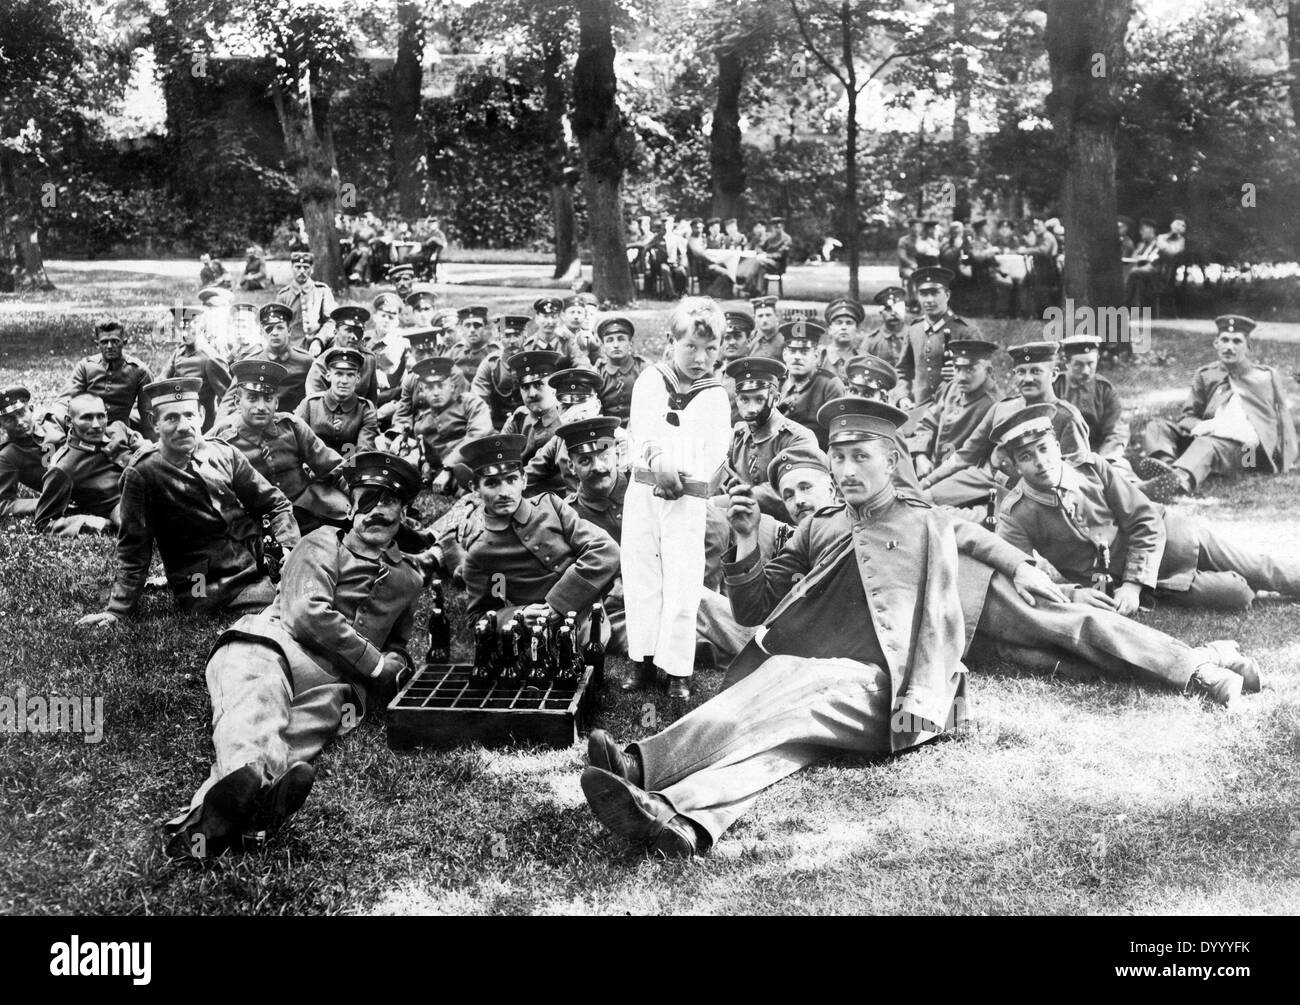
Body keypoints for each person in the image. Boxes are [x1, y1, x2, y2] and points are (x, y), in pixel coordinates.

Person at [578, 397, 1256, 859]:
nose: (845, 470)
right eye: (837, 457)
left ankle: (652, 775)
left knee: (793, 702)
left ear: (891, 460)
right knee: (777, 719)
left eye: (861, 457)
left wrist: (1019, 565)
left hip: (890, 687)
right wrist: (748, 543)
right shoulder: (819, 526)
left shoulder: (922, 518)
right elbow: (755, 607)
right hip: (823, 668)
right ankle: (675, 806)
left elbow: (972, 549)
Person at [162, 452, 426, 859]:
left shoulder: (408, 577)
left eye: (386, 501)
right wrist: (375, 664)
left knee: (294, 738)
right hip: (273, 648)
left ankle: (219, 822)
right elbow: (305, 613)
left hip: (334, 686)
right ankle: (237, 810)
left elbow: (399, 645)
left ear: (404, 510)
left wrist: (398, 664)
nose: (375, 512)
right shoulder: (320, 543)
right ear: (351, 506)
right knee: (257, 710)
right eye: (365, 500)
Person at [996, 403, 1300, 614]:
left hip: (1173, 538)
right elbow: (1020, 576)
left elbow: (1145, 519)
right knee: (1239, 596)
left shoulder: (1091, 468)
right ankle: (1239, 583)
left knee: (1261, 569)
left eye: (1044, 449)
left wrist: (1132, 585)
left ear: (1058, 448)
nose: (1040, 462)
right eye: (1026, 456)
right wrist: (1076, 593)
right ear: (1014, 464)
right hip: (1153, 584)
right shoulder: (1016, 514)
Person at [76, 378, 300, 629]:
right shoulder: (143, 473)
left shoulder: (223, 453)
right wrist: (117, 611)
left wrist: (289, 548)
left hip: (258, 557)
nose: (183, 426)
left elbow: (275, 504)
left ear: (202, 415)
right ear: (154, 423)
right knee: (301, 601)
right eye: (171, 418)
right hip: (208, 583)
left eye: (189, 415)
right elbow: (133, 549)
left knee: (326, 568)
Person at [560, 415, 760, 675]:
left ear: (618, 454)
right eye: (585, 461)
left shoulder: (650, 485)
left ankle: (768, 644)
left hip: (672, 581)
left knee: (695, 601)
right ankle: (703, 652)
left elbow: (712, 525)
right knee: (633, 633)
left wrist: (699, 580)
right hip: (619, 606)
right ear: (572, 467)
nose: (598, 467)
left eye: (604, 455)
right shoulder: (570, 514)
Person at [621, 298, 732, 700]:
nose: (700, 358)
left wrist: (688, 477)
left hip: (687, 497)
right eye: (691, 347)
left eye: (711, 349)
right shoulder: (652, 380)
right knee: (641, 573)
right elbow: (644, 428)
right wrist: (660, 461)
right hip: (645, 490)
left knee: (683, 578)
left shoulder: (715, 395)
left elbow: (718, 448)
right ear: (671, 342)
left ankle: (678, 667)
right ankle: (643, 658)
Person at [460, 432, 620, 633]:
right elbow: (480, 617)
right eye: (492, 483)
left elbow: (606, 549)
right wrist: (519, 615)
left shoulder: (551, 506)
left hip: (599, 596)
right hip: (550, 627)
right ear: (475, 488)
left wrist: (559, 603)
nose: (504, 492)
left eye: (511, 479)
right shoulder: (480, 552)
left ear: (524, 480)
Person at [1140, 315, 1298, 498]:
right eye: (1225, 340)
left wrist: (1216, 429)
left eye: (1237, 341)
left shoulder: (1264, 378)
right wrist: (1201, 427)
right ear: (1216, 343)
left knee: (1207, 444)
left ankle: (1179, 480)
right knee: (1158, 427)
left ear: (1249, 346)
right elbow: (1187, 416)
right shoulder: (1206, 375)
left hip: (1248, 453)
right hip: (1206, 440)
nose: (1229, 347)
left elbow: (1269, 427)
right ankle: (1166, 467)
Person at [921, 341, 1090, 508]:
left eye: (1036, 371)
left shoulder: (1067, 417)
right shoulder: (1002, 407)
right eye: (1021, 372)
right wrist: (929, 480)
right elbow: (967, 453)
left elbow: (1078, 474)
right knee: (924, 500)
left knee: (975, 525)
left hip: (1026, 493)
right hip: (985, 478)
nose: (1027, 378)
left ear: (1053, 374)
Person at [212, 360, 351, 532]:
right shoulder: (221, 437)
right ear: (237, 402)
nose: (261, 407)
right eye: (253, 399)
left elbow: (334, 466)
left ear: (276, 403)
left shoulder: (291, 426)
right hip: (258, 519)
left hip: (306, 506)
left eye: (268, 399)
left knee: (351, 523)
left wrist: (361, 494)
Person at [712, 356, 818, 523]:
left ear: (775, 399)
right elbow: (719, 479)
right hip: (743, 521)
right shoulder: (738, 435)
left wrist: (718, 503)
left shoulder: (798, 438)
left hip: (787, 529)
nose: (751, 409)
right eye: (744, 399)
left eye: (759, 399)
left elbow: (782, 491)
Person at [34, 393, 139, 535]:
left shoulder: (117, 429)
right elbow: (44, 522)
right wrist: (90, 522)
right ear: (69, 421)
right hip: (124, 506)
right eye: (86, 418)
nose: (96, 425)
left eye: (101, 416)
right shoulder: (63, 468)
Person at [906, 339, 1002, 481]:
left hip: (960, 482)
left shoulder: (995, 405)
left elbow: (970, 456)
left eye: (970, 369)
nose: (961, 377)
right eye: (957, 368)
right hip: (928, 468)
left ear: (988, 371)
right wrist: (921, 456)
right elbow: (928, 422)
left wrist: (929, 481)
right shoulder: (952, 388)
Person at [524, 367, 628, 497]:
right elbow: (528, 476)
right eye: (567, 407)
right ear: (558, 410)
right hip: (574, 512)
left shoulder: (617, 437)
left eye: (583, 404)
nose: (575, 414)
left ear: (597, 405)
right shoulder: (558, 442)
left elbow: (642, 478)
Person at [404, 356, 494, 494]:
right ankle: (465, 484)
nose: (435, 393)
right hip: (451, 471)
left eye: (441, 386)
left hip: (481, 458)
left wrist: (448, 467)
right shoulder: (421, 423)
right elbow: (424, 453)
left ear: (452, 386)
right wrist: (425, 466)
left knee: (478, 473)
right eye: (429, 388)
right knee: (456, 485)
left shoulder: (470, 403)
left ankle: (476, 482)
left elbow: (478, 434)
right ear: (422, 391)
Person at [896, 267, 978, 409]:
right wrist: (903, 396)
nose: (929, 300)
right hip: (921, 410)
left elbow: (985, 373)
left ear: (947, 295)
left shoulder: (965, 331)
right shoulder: (914, 329)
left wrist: (961, 375)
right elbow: (902, 371)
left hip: (957, 410)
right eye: (923, 294)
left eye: (935, 293)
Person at [61, 321, 155, 439]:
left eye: (115, 341)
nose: (109, 346)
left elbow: (148, 416)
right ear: (97, 344)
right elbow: (69, 403)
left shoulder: (139, 371)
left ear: (124, 342)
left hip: (120, 434)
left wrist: (153, 447)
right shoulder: (85, 367)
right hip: (87, 433)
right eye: (104, 342)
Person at [218, 304, 316, 415]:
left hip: (293, 425)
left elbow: (317, 399)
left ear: (289, 330)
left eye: (279, 327)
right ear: (262, 333)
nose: (274, 333)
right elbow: (228, 402)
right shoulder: (251, 362)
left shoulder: (306, 362)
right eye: (269, 328)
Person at [1052, 335, 1130, 470]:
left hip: (1099, 454)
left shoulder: (1105, 389)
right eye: (1079, 365)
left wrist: (1105, 461)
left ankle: (1142, 488)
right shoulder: (1054, 387)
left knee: (1121, 469)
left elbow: (1116, 431)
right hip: (1062, 457)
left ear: (1097, 359)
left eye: (1090, 364)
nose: (1086, 371)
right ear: (1067, 362)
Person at [775, 320, 847, 451]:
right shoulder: (778, 383)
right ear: (785, 354)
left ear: (816, 355)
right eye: (792, 351)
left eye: (804, 352)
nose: (797, 357)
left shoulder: (829, 385)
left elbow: (838, 434)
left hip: (815, 456)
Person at [295, 347, 379, 456]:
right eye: (339, 374)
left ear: (358, 378)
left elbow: (364, 451)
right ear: (328, 376)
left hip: (351, 469)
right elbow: (296, 443)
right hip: (312, 470)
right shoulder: (310, 405)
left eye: (350, 375)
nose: (344, 381)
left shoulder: (365, 409)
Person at [161, 305, 232, 433]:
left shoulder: (210, 358)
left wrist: (219, 430)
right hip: (177, 415)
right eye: (180, 328)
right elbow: (162, 380)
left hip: (202, 425)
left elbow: (228, 398)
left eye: (188, 328)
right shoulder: (179, 352)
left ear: (200, 327)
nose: (183, 333)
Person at [0, 386, 61, 518]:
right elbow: (3, 504)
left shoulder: (53, 424)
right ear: (1, 424)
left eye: (22, 413)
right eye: (9, 419)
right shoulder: (8, 456)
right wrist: (48, 502)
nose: (19, 422)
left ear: (31, 409)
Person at [500, 350, 566, 465]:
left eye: (538, 384)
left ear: (554, 386)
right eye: (525, 387)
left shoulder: (568, 418)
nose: (531, 394)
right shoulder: (518, 420)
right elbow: (501, 456)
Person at [304, 306, 380, 404]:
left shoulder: (369, 359)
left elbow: (372, 400)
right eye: (348, 330)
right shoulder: (321, 363)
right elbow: (315, 403)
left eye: (358, 331)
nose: (354, 336)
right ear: (335, 332)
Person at [471, 314, 530, 429]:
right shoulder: (491, 364)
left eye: (517, 335)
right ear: (499, 337)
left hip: (528, 423)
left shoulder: (533, 361)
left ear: (525, 336)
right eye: (507, 336)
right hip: (497, 425)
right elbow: (477, 399)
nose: (512, 341)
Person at [593, 316, 650, 427]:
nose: (615, 345)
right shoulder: (598, 373)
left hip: (640, 428)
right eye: (609, 340)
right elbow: (593, 410)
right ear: (602, 346)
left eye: (621, 339)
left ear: (630, 343)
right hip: (606, 430)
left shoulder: (643, 369)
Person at [276, 251, 336, 350]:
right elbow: (278, 325)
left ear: (312, 269)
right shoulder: (284, 295)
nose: (302, 271)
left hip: (320, 345)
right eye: (298, 267)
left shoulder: (322, 291)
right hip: (293, 347)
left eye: (306, 267)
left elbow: (332, 320)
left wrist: (319, 340)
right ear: (292, 268)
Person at [736, 216, 791, 297]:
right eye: (774, 227)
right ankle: (756, 291)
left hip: (777, 264)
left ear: (782, 227)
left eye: (778, 227)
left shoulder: (786, 239)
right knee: (758, 264)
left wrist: (766, 255)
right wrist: (761, 252)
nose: (776, 230)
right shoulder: (769, 237)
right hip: (765, 262)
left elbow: (780, 254)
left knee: (758, 261)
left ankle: (745, 283)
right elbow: (759, 247)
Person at [448, 304, 498, 385]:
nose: (472, 330)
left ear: (485, 327)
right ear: (462, 328)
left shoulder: (494, 352)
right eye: (467, 325)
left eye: (477, 325)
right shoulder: (456, 351)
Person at [862, 286, 908, 366]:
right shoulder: (872, 341)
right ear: (881, 312)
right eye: (888, 309)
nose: (893, 313)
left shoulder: (915, 335)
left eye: (898, 308)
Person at [822, 297, 866, 381]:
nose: (844, 327)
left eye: (849, 323)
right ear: (830, 329)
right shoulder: (820, 357)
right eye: (838, 323)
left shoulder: (863, 359)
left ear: (857, 329)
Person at [746, 295, 783, 361]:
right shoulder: (752, 339)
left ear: (776, 317)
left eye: (768, 315)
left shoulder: (783, 340)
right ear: (755, 318)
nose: (765, 320)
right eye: (760, 316)